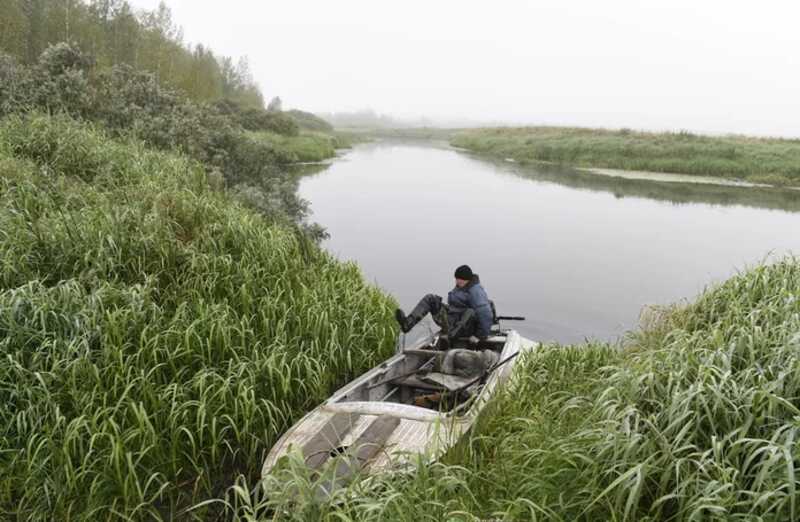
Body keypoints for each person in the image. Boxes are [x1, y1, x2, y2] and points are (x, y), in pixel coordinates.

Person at [395, 264, 493, 343]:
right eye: (456, 278)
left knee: (470, 311)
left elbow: (486, 314)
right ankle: (407, 324)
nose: (456, 281)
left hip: (465, 328)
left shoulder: (476, 291)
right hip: (452, 320)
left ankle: (452, 337)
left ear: (466, 279)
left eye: (459, 279)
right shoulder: (461, 286)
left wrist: (479, 336)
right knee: (430, 299)